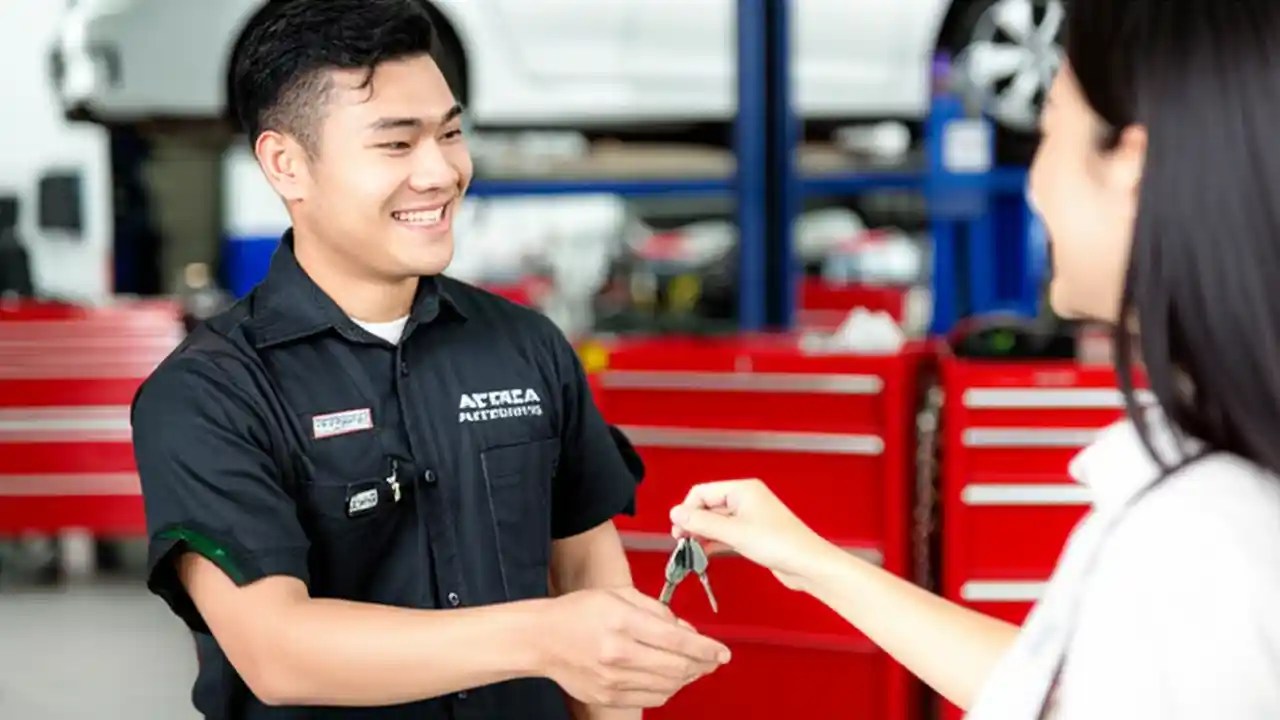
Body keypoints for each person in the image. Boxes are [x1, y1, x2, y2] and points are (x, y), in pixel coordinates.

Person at [670, 1, 1280, 718]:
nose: (1033, 183)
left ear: (1130, 169)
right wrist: (809, 560)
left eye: (1050, 129)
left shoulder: (1193, 540)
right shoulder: (1222, 498)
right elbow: (1056, 692)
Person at [129, 1, 728, 718]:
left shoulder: (526, 346)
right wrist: (542, 637)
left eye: (450, 134)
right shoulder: (210, 393)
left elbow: (588, 577)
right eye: (396, 144)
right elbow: (277, 651)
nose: (441, 173)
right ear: (286, 164)